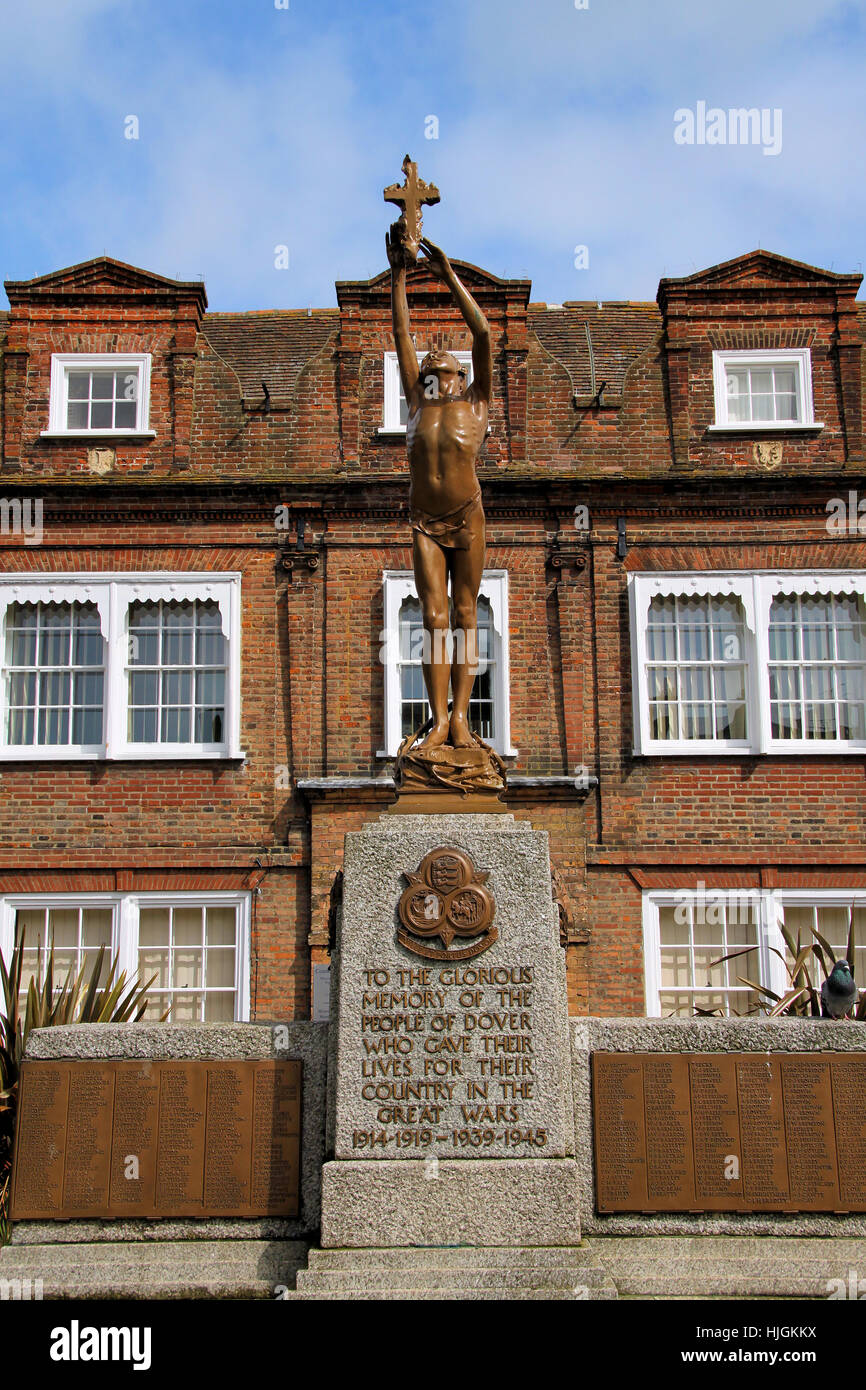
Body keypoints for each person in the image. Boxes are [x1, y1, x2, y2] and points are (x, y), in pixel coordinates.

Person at [386, 227, 493, 752]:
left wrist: (448, 276)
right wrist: (400, 275)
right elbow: (402, 332)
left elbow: (485, 335)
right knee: (434, 617)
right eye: (428, 370)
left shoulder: (477, 403)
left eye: (442, 369)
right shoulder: (415, 403)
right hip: (424, 519)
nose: (432, 372)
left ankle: (463, 720)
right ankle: (436, 720)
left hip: (467, 515)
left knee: (467, 612)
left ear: (460, 375)